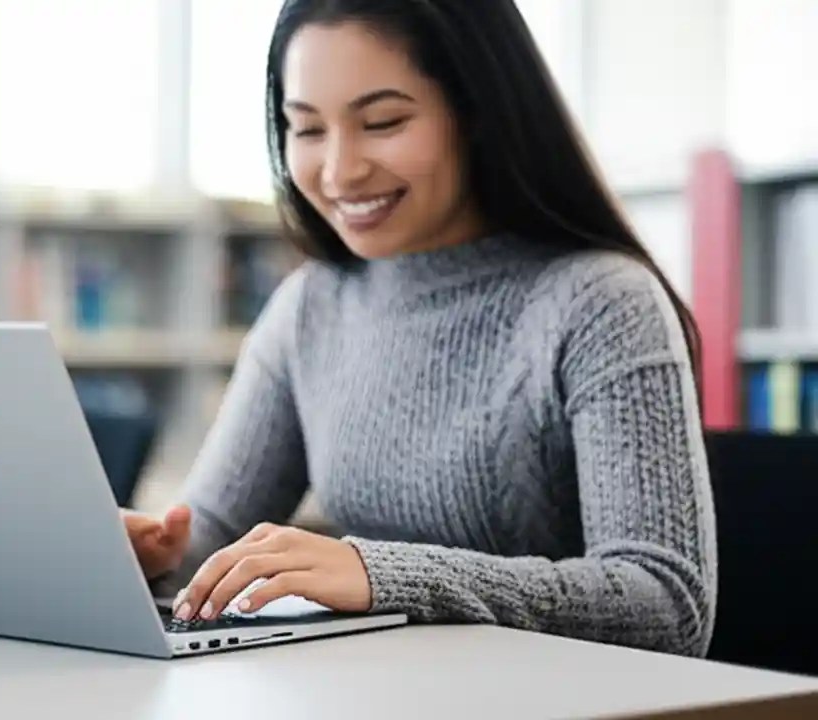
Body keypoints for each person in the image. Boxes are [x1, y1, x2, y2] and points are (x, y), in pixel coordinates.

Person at [124, 0, 717, 658]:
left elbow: (667, 604)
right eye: (307, 129)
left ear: (479, 114)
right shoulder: (309, 307)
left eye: (383, 122)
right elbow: (207, 543)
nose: (339, 170)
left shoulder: (601, 302)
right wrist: (143, 553)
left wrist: (385, 575)